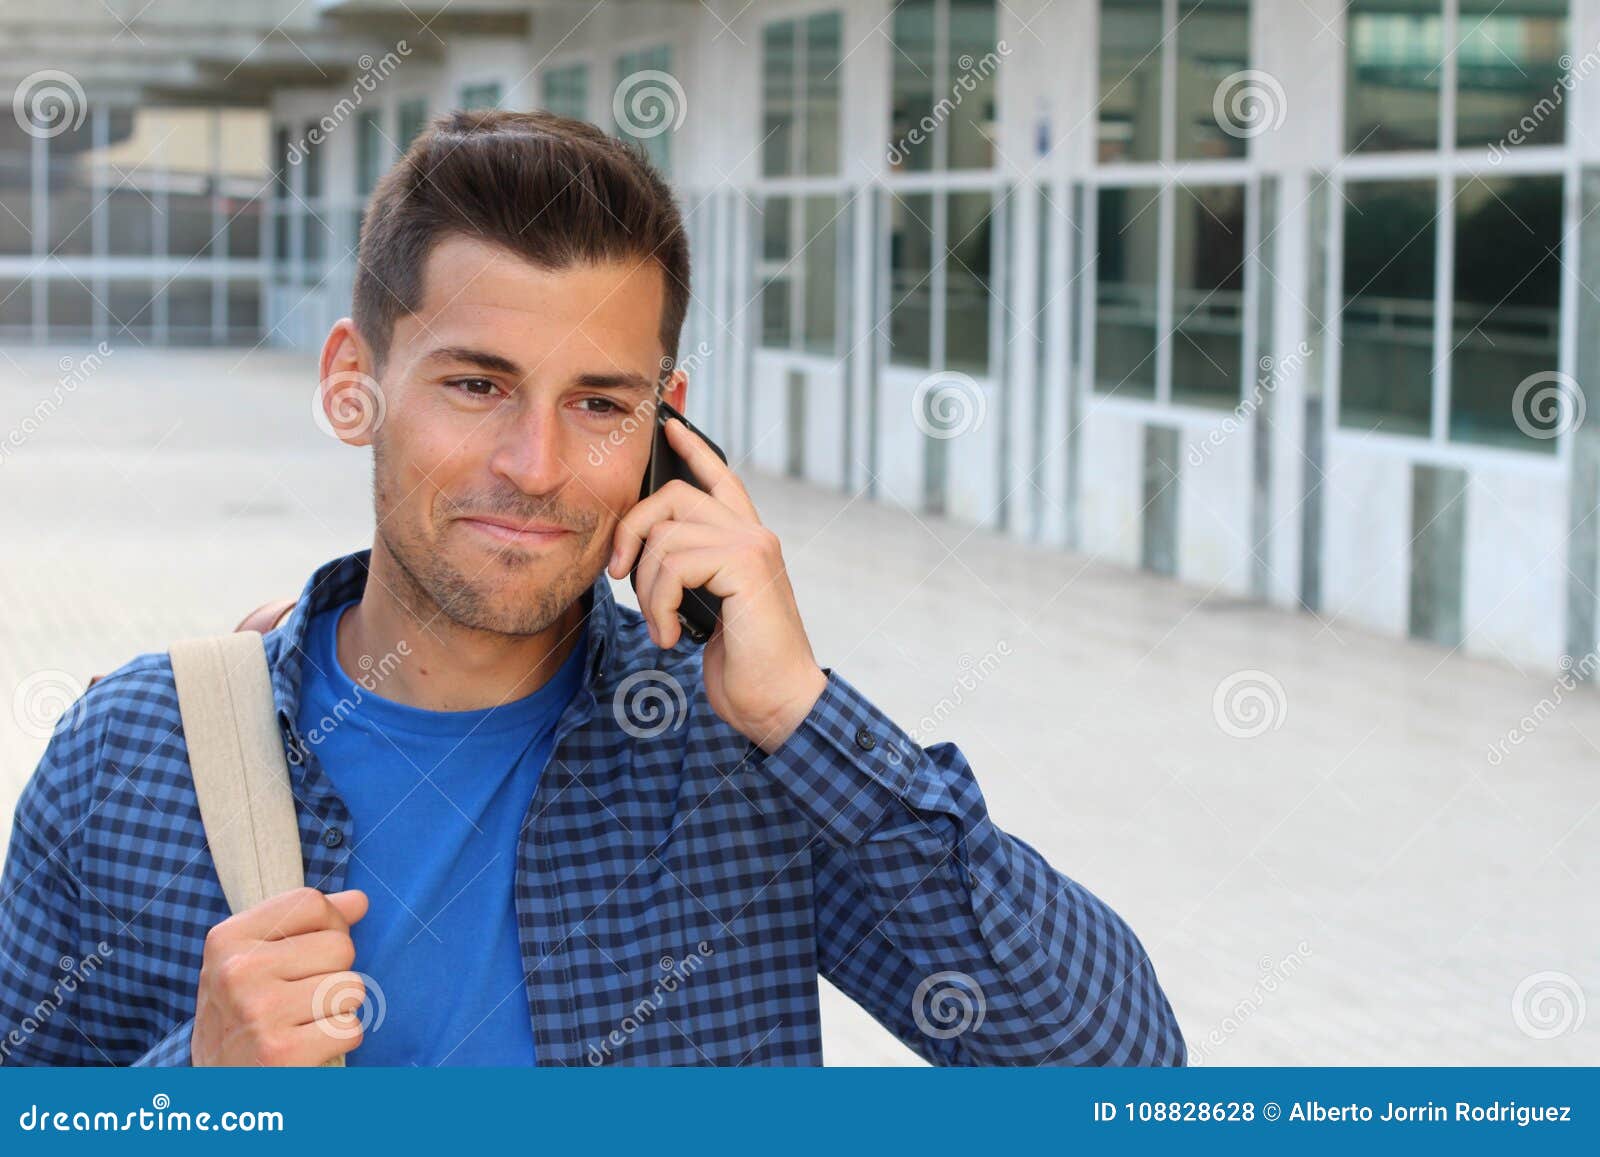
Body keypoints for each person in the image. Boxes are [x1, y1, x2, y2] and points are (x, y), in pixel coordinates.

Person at [0, 110, 1184, 1067]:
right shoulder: (133, 757)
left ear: (668, 428)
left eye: (599, 403)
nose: (536, 467)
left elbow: (1115, 1073)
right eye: (476, 384)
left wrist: (804, 714)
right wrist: (198, 1095)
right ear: (353, 381)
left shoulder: (742, 757)